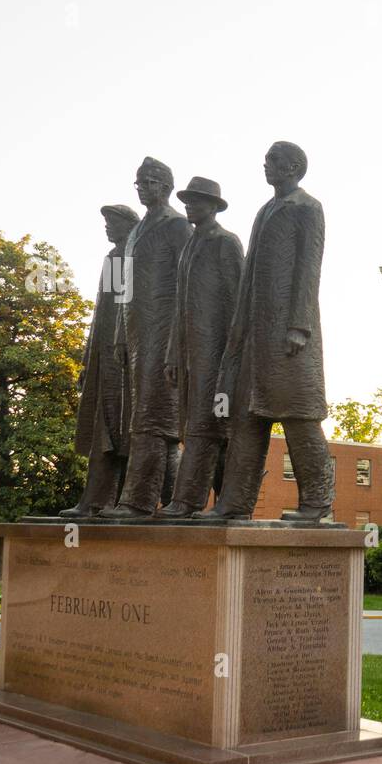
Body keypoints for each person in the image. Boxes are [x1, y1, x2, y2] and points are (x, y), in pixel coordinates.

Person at [196, 141, 333, 521]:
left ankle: (316, 502)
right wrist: (237, 333)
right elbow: (250, 276)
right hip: (255, 335)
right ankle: (234, 504)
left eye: (273, 160)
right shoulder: (264, 211)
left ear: (293, 167)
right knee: (246, 421)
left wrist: (299, 326)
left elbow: (309, 267)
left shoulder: (307, 207)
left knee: (300, 419)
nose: (266, 165)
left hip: (289, 337)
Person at [100, 157, 190, 518]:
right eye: (138, 183)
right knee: (151, 418)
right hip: (136, 335)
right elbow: (122, 291)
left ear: (166, 186)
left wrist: (177, 340)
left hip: (164, 334)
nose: (141, 188)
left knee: (153, 417)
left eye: (148, 182)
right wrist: (121, 335)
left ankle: (138, 501)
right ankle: (170, 501)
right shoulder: (135, 233)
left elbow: (187, 284)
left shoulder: (178, 226)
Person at [157, 177, 244, 518]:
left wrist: (232, 355)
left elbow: (238, 302)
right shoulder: (189, 247)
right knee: (196, 426)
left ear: (213, 206)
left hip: (218, 354)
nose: (189, 206)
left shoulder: (226, 242)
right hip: (191, 354)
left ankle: (208, 502)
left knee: (215, 427)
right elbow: (179, 308)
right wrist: (172, 354)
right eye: (187, 200)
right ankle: (195, 501)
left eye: (196, 200)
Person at [60, 204, 137, 518]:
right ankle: (94, 500)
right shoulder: (114, 258)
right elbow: (101, 315)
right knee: (103, 431)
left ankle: (136, 501)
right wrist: (87, 360)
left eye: (113, 222)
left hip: (127, 359)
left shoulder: (131, 257)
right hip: (106, 359)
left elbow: (129, 309)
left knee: (128, 433)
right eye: (105, 222)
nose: (107, 227)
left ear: (129, 225)